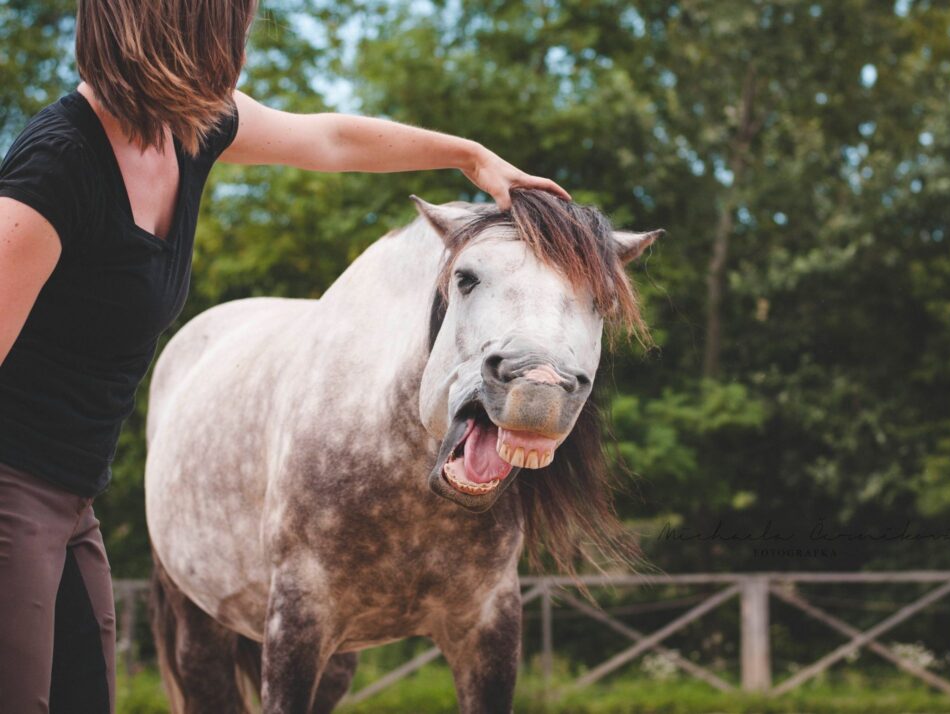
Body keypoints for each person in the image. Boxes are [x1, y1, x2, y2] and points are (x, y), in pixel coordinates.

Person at [0, 1, 572, 711]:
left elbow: (330, 139)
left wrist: (469, 155)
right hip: (12, 489)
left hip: (72, 497)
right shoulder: (55, 170)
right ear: (173, 37)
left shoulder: (186, 132)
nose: (240, 58)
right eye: (229, 36)